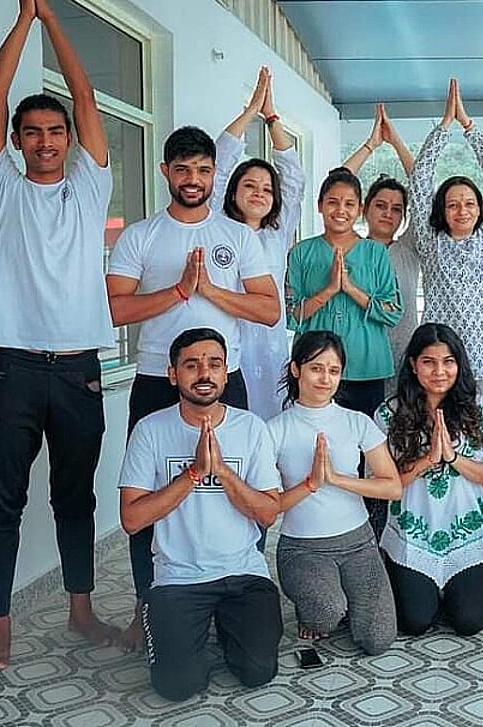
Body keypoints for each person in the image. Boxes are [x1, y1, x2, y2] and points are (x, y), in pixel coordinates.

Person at [0, 0, 118, 670]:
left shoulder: (89, 190)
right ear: (20, 141)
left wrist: (54, 20)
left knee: (75, 495)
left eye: (54, 130)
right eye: (31, 132)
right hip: (17, 366)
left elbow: (86, 93)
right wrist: (21, 21)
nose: (44, 140)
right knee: (1, 499)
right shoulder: (1, 191)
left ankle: (81, 609)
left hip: (80, 367)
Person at [107, 126, 280, 648]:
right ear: (165, 172)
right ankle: (148, 605)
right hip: (157, 381)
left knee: (238, 483)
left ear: (213, 174)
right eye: (182, 169)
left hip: (225, 382)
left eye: (203, 170)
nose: (193, 179)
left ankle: (238, 589)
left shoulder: (237, 235)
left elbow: (269, 310)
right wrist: (179, 290)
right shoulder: (141, 235)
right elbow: (115, 308)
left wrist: (211, 291)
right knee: (153, 493)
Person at [118, 328, 282, 701]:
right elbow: (132, 519)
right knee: (177, 685)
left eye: (214, 364)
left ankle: (225, 625)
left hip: (243, 573)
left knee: (258, 671)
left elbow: (269, 513)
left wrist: (223, 473)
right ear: (173, 374)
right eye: (191, 365)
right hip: (177, 579)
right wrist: (193, 474)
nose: (204, 374)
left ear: (226, 373)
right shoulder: (150, 430)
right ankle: (185, 629)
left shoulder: (252, 428)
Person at [269, 331, 401, 655]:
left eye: (333, 370)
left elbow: (392, 487)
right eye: (316, 368)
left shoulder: (357, 422)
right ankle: (321, 603)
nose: (325, 378)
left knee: (378, 640)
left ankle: (347, 600)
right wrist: (310, 485)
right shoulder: (274, 429)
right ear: (296, 369)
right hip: (303, 549)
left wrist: (337, 479)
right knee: (325, 614)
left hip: (358, 542)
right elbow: (267, 508)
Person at [374, 324, 483, 636]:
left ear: (459, 365)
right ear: (412, 364)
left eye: (448, 362)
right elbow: (383, 485)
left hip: (466, 535)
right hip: (412, 538)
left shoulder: (479, 409)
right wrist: (427, 460)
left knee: (470, 621)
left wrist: (453, 458)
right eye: (428, 362)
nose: (439, 371)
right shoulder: (388, 414)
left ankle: (465, 584)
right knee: (415, 622)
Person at [411, 79, 483, 438]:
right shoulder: (431, 241)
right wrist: (444, 126)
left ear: (480, 208)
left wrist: (469, 127)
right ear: (442, 210)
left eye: (470, 203)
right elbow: (420, 179)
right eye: (453, 204)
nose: (462, 210)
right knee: (450, 441)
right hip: (446, 364)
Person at [211, 67, 306, 419]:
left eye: (267, 189)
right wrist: (250, 111)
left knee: (270, 428)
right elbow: (219, 167)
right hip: (229, 344)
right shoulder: (217, 226)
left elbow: (294, 178)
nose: (259, 194)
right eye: (250, 185)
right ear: (234, 192)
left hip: (270, 346)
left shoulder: (276, 233)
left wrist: (272, 117)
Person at [286, 166, 401, 417]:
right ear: (319, 205)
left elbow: (393, 313)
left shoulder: (376, 253)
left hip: (366, 365)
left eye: (349, 204)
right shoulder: (301, 252)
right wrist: (328, 290)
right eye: (333, 202)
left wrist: (349, 288)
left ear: (360, 210)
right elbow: (292, 315)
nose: (340, 210)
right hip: (313, 366)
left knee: (365, 445)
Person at [343, 104, 418, 365]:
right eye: (381, 205)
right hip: (358, 357)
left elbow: (422, 187)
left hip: (404, 359)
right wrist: (370, 145)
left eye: (397, 209)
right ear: (364, 209)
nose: (388, 214)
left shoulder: (409, 247)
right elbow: (338, 184)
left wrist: (396, 142)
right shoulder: (348, 244)